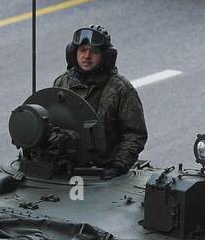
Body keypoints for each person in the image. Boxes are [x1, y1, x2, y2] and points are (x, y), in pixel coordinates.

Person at [53, 25, 147, 177]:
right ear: (73, 53)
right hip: (66, 168)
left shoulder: (120, 89)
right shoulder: (62, 83)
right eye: (82, 50)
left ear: (106, 56)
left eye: (94, 51)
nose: (87, 56)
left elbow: (135, 133)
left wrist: (119, 165)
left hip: (103, 170)